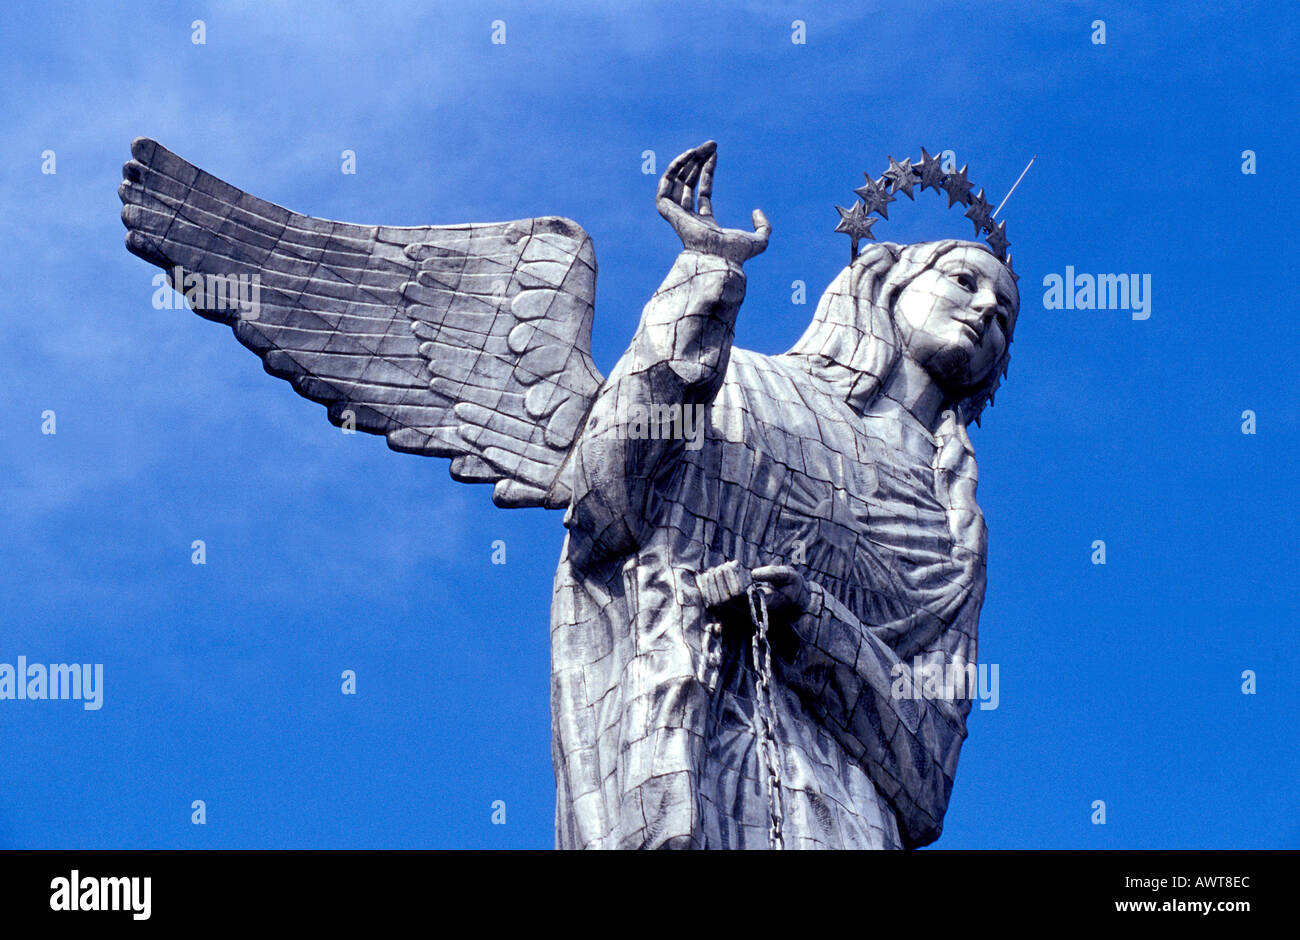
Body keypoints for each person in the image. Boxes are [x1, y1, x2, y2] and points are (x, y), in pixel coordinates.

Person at [551, 141, 1020, 849]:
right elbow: (605, 498)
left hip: (850, 817)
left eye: (1007, 316)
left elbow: (927, 779)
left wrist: (812, 618)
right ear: (887, 282)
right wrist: (705, 273)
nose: (987, 309)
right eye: (964, 281)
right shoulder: (740, 385)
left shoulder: (955, 533)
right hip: (704, 754)